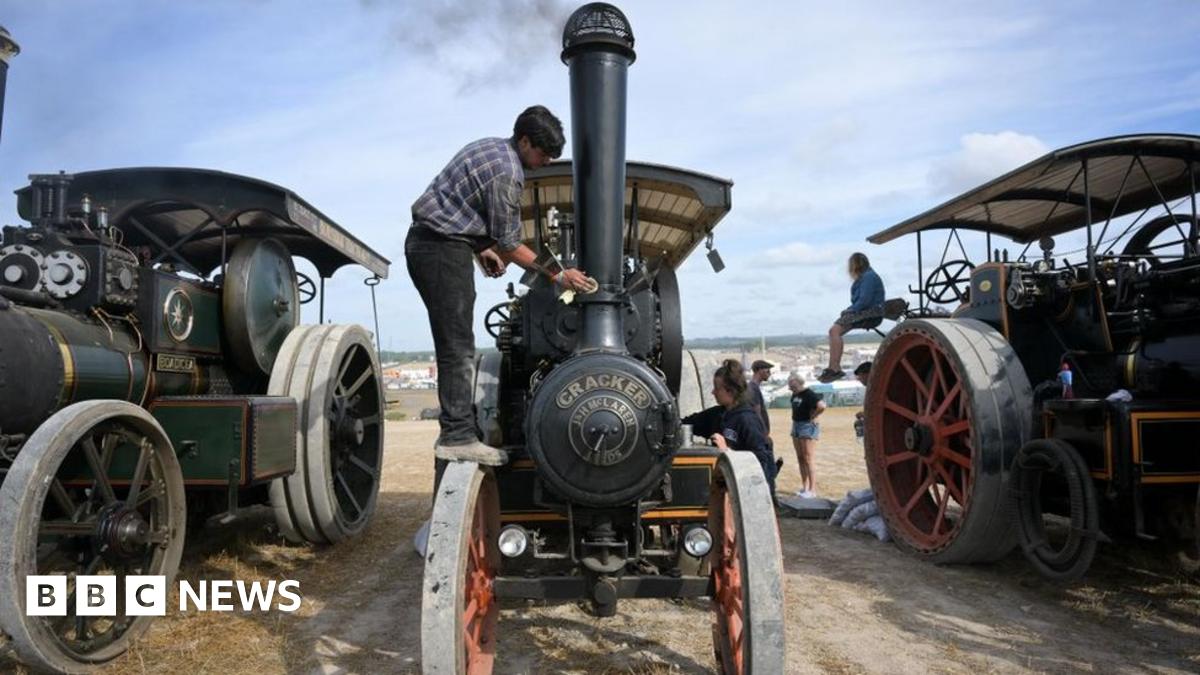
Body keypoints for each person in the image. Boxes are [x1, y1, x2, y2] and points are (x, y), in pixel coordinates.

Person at [407, 106, 593, 466]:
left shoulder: (489, 147)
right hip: (440, 249)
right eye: (542, 153)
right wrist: (559, 275)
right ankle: (457, 436)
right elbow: (510, 243)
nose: (546, 161)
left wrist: (480, 247)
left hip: (438, 243)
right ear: (525, 141)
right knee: (458, 346)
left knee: (457, 342)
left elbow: (458, 208)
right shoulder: (507, 175)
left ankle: (459, 430)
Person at [682, 359, 777, 498]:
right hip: (724, 489)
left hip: (746, 494)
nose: (713, 392)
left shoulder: (748, 420)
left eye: (717, 388)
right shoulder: (717, 414)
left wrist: (727, 451)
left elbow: (760, 461)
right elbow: (688, 423)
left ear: (730, 390)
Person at [820, 252, 885, 383]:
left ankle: (834, 367)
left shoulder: (868, 277)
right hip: (868, 310)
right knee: (834, 331)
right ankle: (833, 366)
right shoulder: (867, 277)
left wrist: (851, 310)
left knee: (834, 330)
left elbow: (865, 301)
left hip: (870, 312)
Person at [789, 375, 825, 498]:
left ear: (798, 383)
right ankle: (804, 487)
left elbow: (821, 406)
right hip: (796, 425)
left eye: (791, 383)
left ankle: (812, 490)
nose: (789, 386)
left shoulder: (808, 394)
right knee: (800, 458)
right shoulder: (794, 394)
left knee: (808, 458)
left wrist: (814, 416)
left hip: (807, 426)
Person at [748, 360, 773, 434]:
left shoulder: (752, 387)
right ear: (760, 370)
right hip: (758, 431)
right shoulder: (753, 388)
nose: (770, 374)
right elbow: (757, 412)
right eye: (768, 371)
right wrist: (764, 431)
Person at [853, 361, 871, 441]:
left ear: (867, 374)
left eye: (860, 375)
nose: (859, 378)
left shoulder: (874, 389)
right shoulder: (870, 389)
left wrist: (864, 414)